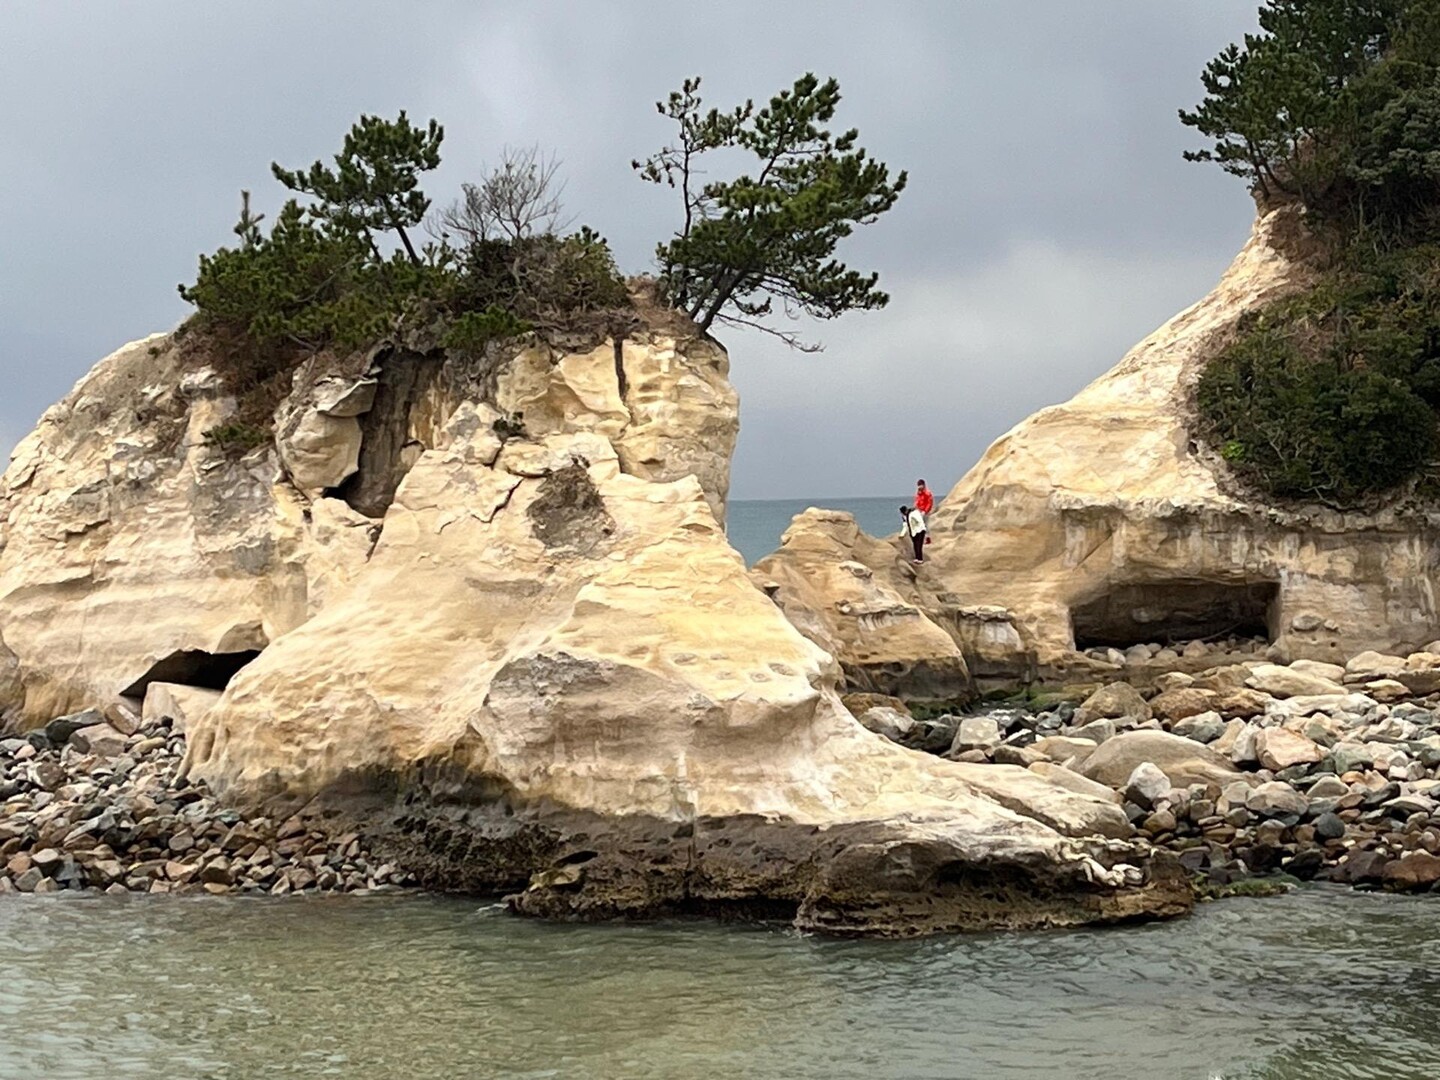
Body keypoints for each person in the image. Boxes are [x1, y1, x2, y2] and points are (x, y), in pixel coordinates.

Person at [914, 479, 934, 544]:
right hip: (919, 511)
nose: (919, 486)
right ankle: (921, 538)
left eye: (921, 485)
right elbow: (916, 502)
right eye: (918, 485)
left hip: (925, 512)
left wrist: (925, 511)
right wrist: (916, 509)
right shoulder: (918, 494)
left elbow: (929, 503)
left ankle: (927, 538)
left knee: (924, 525)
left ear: (924, 485)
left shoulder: (927, 493)